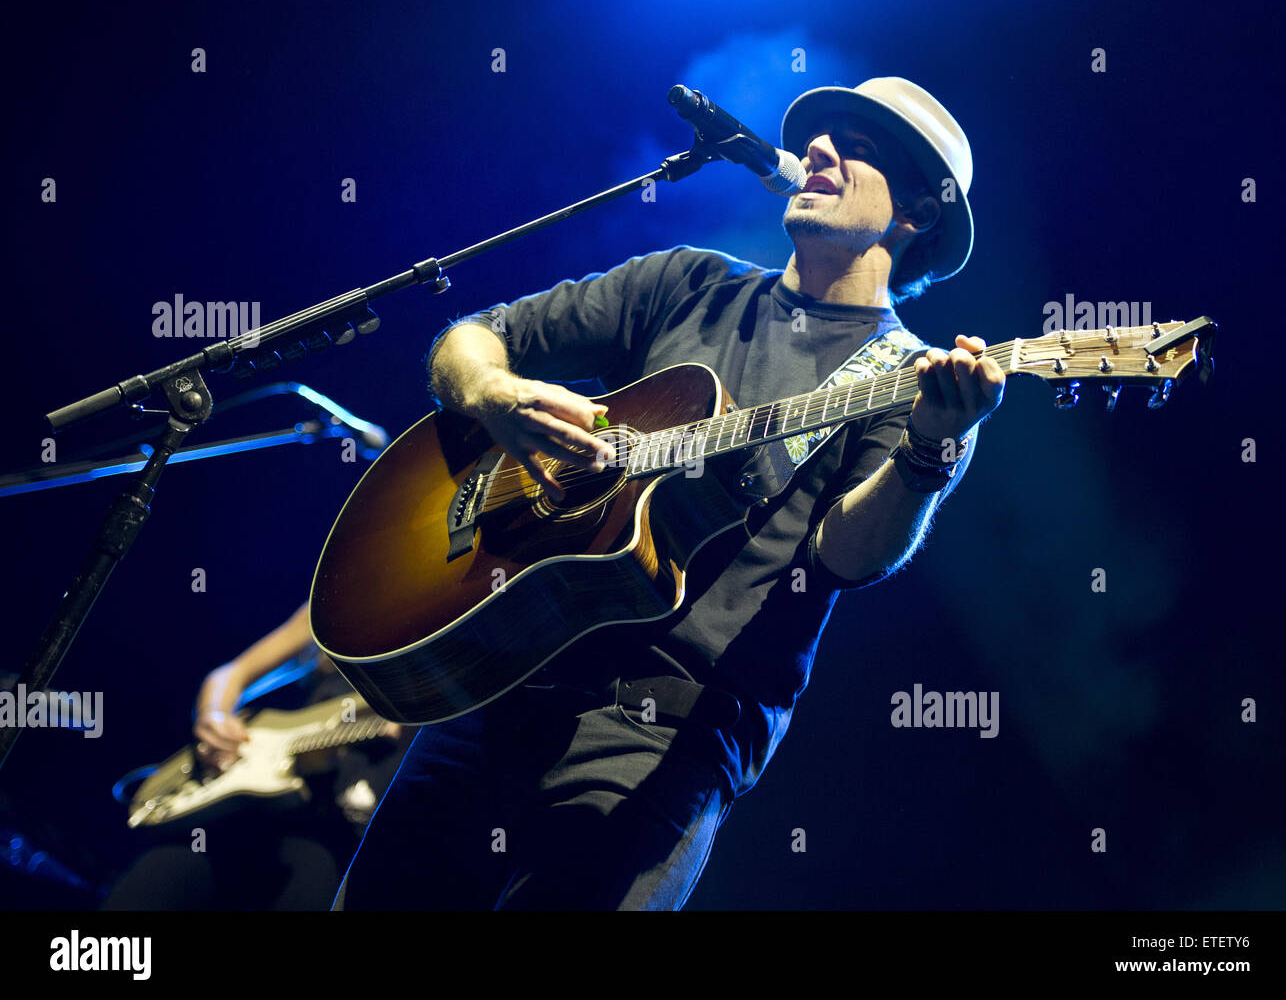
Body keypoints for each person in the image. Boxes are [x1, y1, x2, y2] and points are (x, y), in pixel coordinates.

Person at [333, 77, 1006, 910]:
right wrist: (493, 397)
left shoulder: (916, 385)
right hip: (511, 673)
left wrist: (929, 450)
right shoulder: (686, 283)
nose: (821, 149)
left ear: (919, 215)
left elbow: (846, 556)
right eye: (822, 135)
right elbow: (477, 338)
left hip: (667, 733)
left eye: (858, 147)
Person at [102, 603, 413, 910]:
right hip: (237, 814)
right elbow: (230, 674)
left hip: (334, 840)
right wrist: (214, 716)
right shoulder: (349, 597)